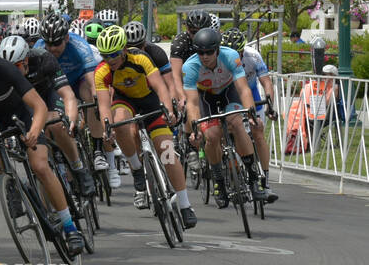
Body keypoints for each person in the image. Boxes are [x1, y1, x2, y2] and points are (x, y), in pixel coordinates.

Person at [0, 37, 85, 255]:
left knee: (40, 166)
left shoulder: (6, 70)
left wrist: (33, 132)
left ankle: (70, 226)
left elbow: (39, 106)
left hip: (23, 114)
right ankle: (11, 182)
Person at [92, 26, 197, 229]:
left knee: (167, 152)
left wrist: (169, 110)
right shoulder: (101, 71)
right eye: (106, 55)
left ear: (124, 50)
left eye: (114, 54)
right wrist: (107, 127)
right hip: (126, 101)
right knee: (120, 122)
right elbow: (104, 105)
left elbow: (160, 87)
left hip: (150, 101)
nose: (111, 59)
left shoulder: (140, 58)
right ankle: (137, 169)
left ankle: (185, 206)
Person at [0, 33, 95, 198]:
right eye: (8, 68)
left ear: (26, 61)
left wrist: (69, 120)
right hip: (25, 103)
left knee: (55, 124)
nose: (12, 72)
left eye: (16, 66)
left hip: (49, 96)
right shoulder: (1, 73)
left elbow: (68, 95)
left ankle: (78, 167)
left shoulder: (44, 59)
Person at [181, 27, 260, 208]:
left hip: (228, 91)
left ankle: (253, 176)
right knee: (212, 135)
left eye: (209, 52)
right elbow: (192, 103)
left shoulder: (230, 56)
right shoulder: (190, 66)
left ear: (217, 50)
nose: (205, 56)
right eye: (200, 52)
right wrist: (195, 128)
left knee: (236, 123)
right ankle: (218, 180)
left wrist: (251, 113)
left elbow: (243, 89)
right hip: (205, 96)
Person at [34, 14, 110, 185]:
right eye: (49, 43)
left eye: (57, 43)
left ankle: (98, 150)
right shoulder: (39, 50)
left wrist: (97, 99)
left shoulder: (80, 46)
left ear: (66, 38)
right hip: (55, 85)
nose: (52, 48)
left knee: (90, 96)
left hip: (78, 80)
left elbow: (92, 78)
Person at [222, 27, 279, 202]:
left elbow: (266, 82)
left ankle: (265, 181)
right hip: (230, 96)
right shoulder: (221, 58)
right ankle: (234, 172)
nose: (236, 56)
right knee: (230, 133)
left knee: (258, 131)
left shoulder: (253, 55)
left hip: (252, 96)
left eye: (239, 52)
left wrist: (270, 105)